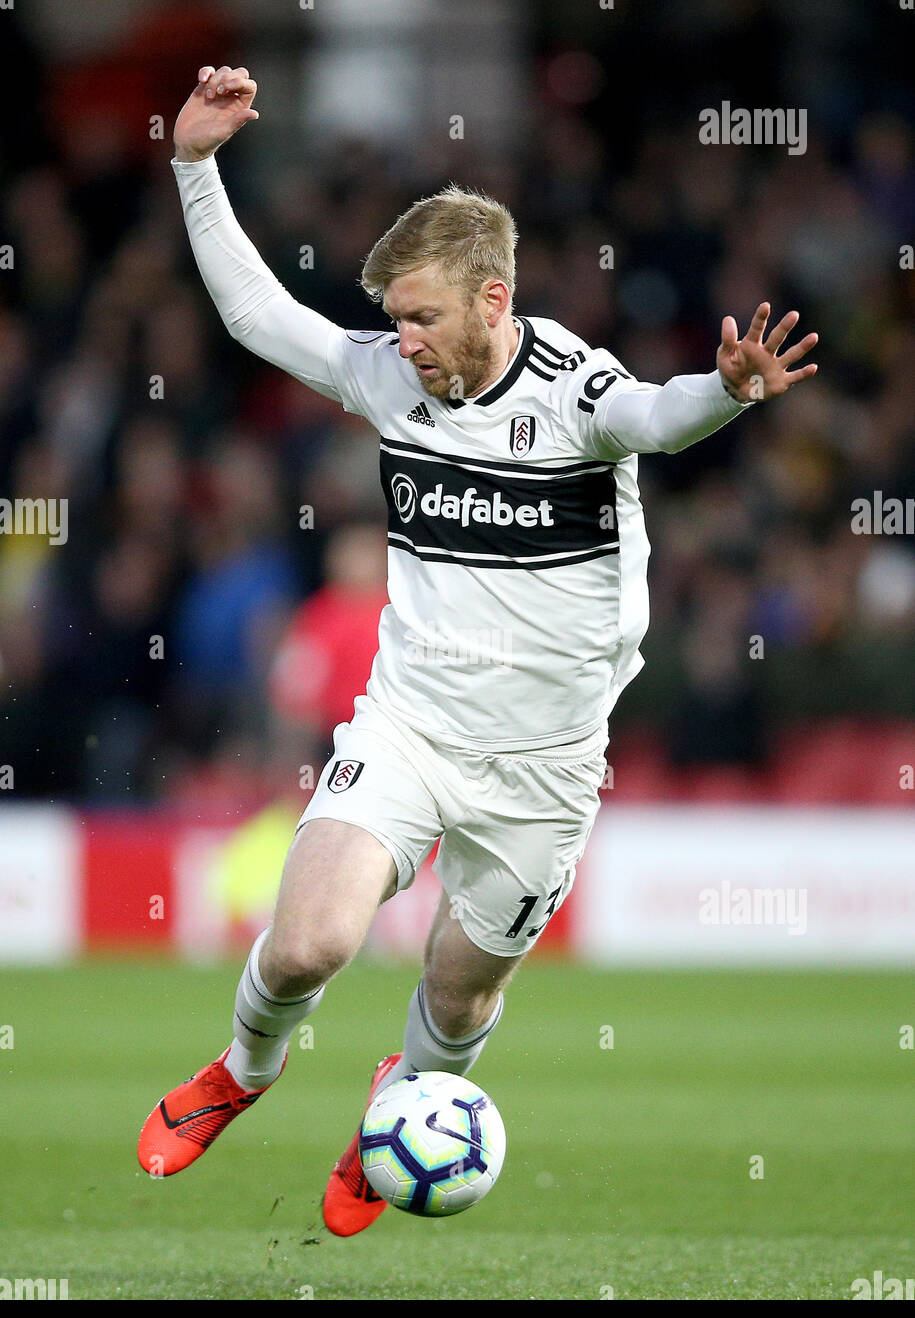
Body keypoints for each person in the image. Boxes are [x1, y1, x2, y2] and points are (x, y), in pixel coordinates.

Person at [138, 66, 818, 1237]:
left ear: (493, 300)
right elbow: (259, 317)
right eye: (391, 318)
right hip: (411, 722)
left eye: (420, 318)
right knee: (307, 943)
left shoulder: (575, 389)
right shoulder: (389, 377)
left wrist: (730, 390)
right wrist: (196, 167)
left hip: (547, 765)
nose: (398, 342)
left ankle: (393, 1113)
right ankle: (243, 1072)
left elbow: (659, 412)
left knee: (457, 990)